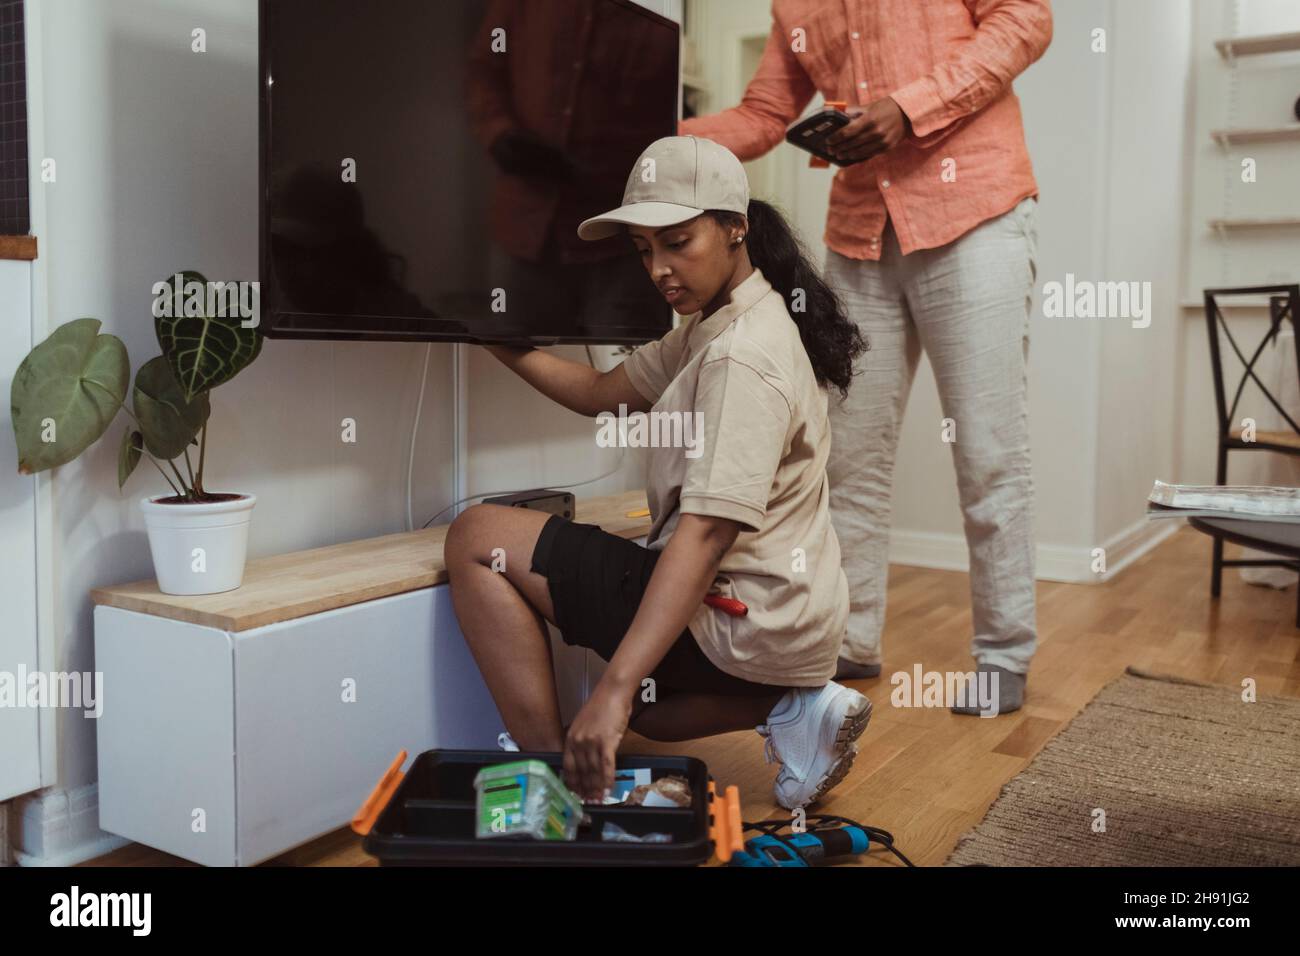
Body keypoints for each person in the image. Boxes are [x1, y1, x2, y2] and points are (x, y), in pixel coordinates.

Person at [443, 135, 871, 808]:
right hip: (789, 617)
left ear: (735, 228)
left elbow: (703, 535)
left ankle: (555, 785)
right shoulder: (721, 319)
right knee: (653, 715)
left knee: (476, 536)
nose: (659, 269)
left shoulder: (740, 356)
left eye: (677, 242)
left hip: (741, 616)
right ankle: (790, 704)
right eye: (644, 251)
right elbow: (599, 392)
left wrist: (610, 693)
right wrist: (486, 335)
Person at [680, 0, 1053, 714]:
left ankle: (1004, 653)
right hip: (860, 233)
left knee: (988, 451)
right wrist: (659, 132)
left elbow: (1026, 20)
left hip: (975, 212)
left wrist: (905, 110)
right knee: (846, 456)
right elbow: (763, 115)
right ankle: (850, 639)